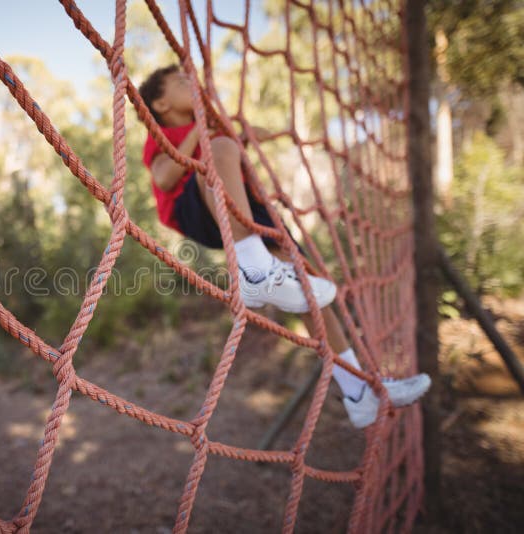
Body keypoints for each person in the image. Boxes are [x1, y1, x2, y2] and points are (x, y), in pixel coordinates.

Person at [138, 64, 430, 428]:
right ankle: (253, 269)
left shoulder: (214, 123)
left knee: (312, 291)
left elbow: (251, 134)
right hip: (196, 206)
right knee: (221, 146)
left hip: (243, 207)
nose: (192, 82)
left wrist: (277, 131)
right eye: (182, 81)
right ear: (161, 102)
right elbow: (164, 178)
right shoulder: (162, 130)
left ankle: (359, 393)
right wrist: (202, 128)